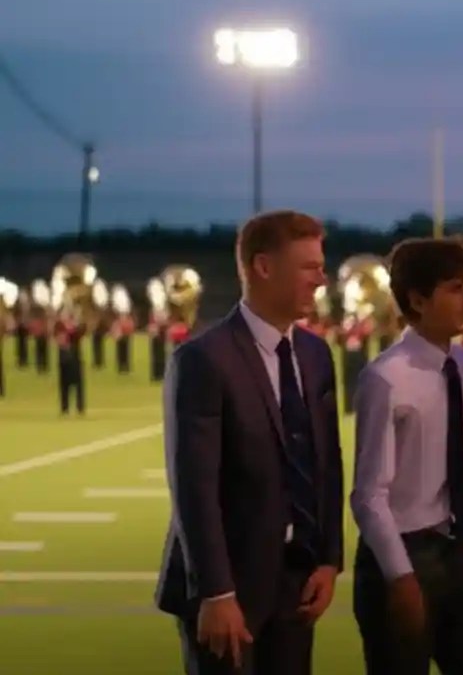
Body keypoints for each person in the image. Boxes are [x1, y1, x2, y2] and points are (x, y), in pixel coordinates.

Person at [155, 210, 344, 675]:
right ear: (263, 267)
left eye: (321, 267)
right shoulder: (203, 359)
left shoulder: (315, 354)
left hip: (297, 582)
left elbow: (326, 464)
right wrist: (216, 592)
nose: (321, 280)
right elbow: (194, 488)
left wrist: (328, 559)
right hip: (229, 590)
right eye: (308, 267)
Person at [350, 237, 463, 674]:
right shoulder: (386, 379)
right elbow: (369, 494)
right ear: (417, 300)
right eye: (455, 288)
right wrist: (400, 576)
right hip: (399, 556)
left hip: (457, 551)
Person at [54, 310, 86, 415]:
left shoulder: (76, 329)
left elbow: (82, 332)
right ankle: (65, 407)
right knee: (64, 385)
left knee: (78, 384)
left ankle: (80, 407)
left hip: (75, 359)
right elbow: (58, 340)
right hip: (64, 359)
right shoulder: (60, 327)